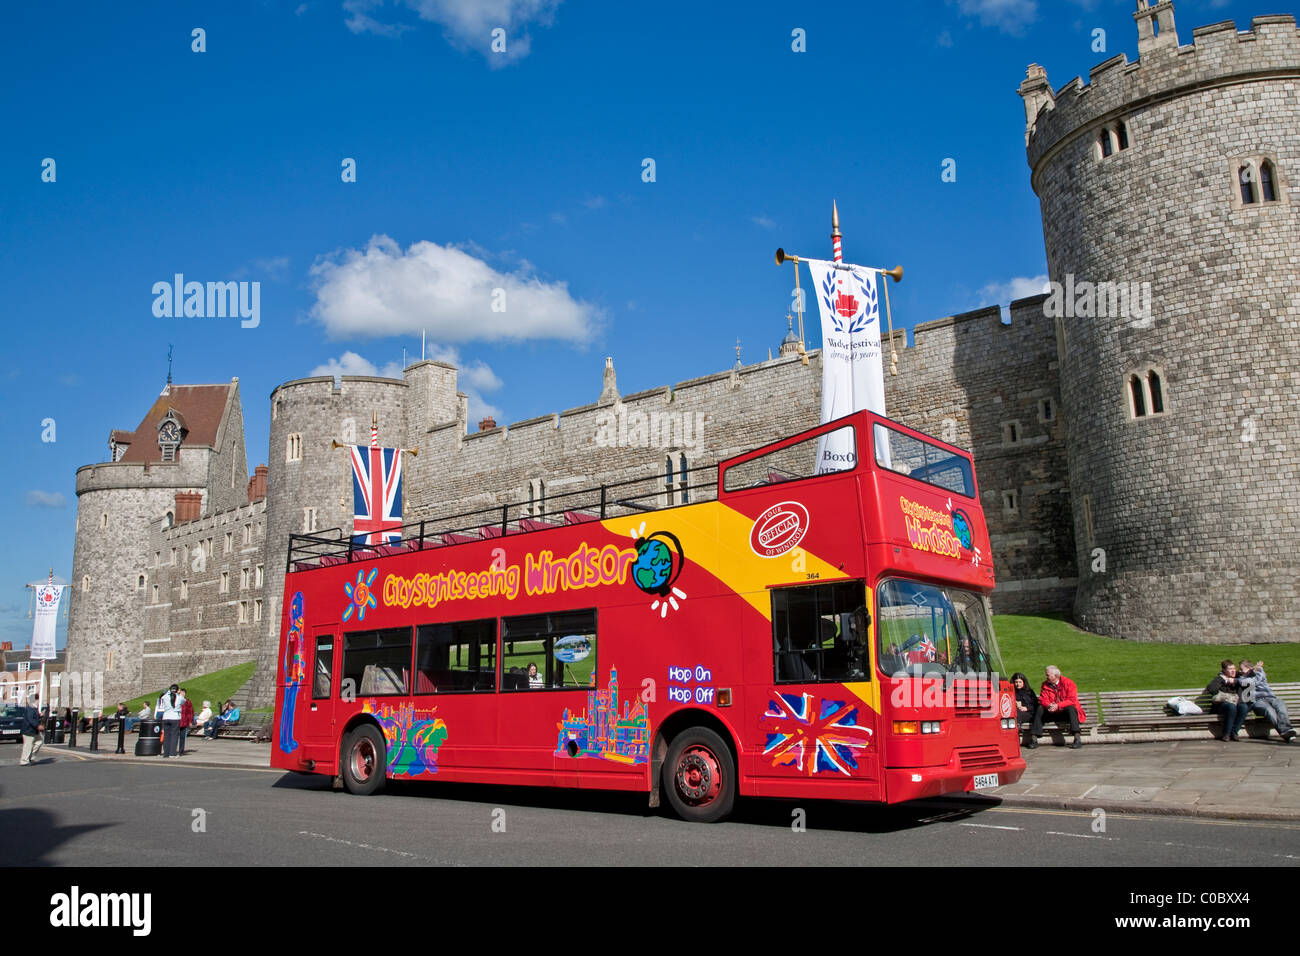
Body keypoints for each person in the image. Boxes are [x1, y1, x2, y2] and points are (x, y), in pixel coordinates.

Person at [1027, 665, 1087, 749]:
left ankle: (1077, 738)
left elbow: (1072, 700)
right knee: (1040, 708)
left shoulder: (1068, 683)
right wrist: (1049, 705)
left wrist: (1057, 705)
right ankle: (1034, 738)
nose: (1046, 677)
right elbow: (1043, 699)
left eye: (1048, 675)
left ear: (1055, 676)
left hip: (1065, 713)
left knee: (1071, 708)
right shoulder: (1045, 685)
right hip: (1052, 712)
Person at [1238, 660, 1296, 742]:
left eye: (1241, 669)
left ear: (1249, 668)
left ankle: (1287, 730)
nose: (1239, 671)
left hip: (1271, 697)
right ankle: (1285, 732)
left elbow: (1257, 679)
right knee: (1269, 711)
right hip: (1257, 701)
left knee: (1281, 706)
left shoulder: (1260, 671)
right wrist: (1253, 670)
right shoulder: (1241, 678)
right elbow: (1251, 682)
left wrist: (1254, 670)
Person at [1205, 659, 1250, 742]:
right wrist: (1222, 679)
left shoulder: (1238, 678)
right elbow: (1211, 689)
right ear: (1224, 670)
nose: (1233, 671)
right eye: (1230, 669)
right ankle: (1226, 734)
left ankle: (1234, 732)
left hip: (1236, 702)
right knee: (1231, 707)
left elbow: (1250, 682)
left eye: (1234, 668)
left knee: (1243, 707)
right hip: (1221, 704)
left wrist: (1236, 681)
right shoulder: (1219, 678)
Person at [155, 684, 183, 757]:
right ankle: (172, 753)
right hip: (175, 717)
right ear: (177, 690)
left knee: (166, 736)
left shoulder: (164, 697)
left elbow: (164, 698)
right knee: (174, 736)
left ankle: (166, 753)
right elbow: (184, 701)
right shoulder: (179, 697)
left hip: (166, 717)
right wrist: (179, 693)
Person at [18, 693, 44, 766]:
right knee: (28, 745)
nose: (39, 701)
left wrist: (40, 715)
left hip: (33, 730)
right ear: (35, 700)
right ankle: (24, 761)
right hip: (28, 730)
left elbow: (34, 717)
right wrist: (38, 725)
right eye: (38, 699)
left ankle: (30, 757)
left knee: (39, 741)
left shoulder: (34, 708)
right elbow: (31, 719)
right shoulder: (30, 708)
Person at [1012, 673, 1038, 738]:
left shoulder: (1029, 692)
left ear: (1024, 682)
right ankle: (1017, 726)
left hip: (1028, 713)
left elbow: (1035, 705)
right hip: (1015, 713)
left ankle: (1017, 727)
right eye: (1016, 682)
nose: (1018, 684)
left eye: (1020, 682)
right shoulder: (1012, 692)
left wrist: (1026, 708)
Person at [177, 688, 194, 755]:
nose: (182, 694)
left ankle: (181, 750)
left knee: (182, 737)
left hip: (184, 721)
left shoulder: (187, 701)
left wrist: (190, 721)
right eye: (181, 692)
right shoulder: (177, 700)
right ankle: (173, 749)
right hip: (177, 720)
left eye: (183, 692)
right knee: (175, 736)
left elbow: (190, 712)